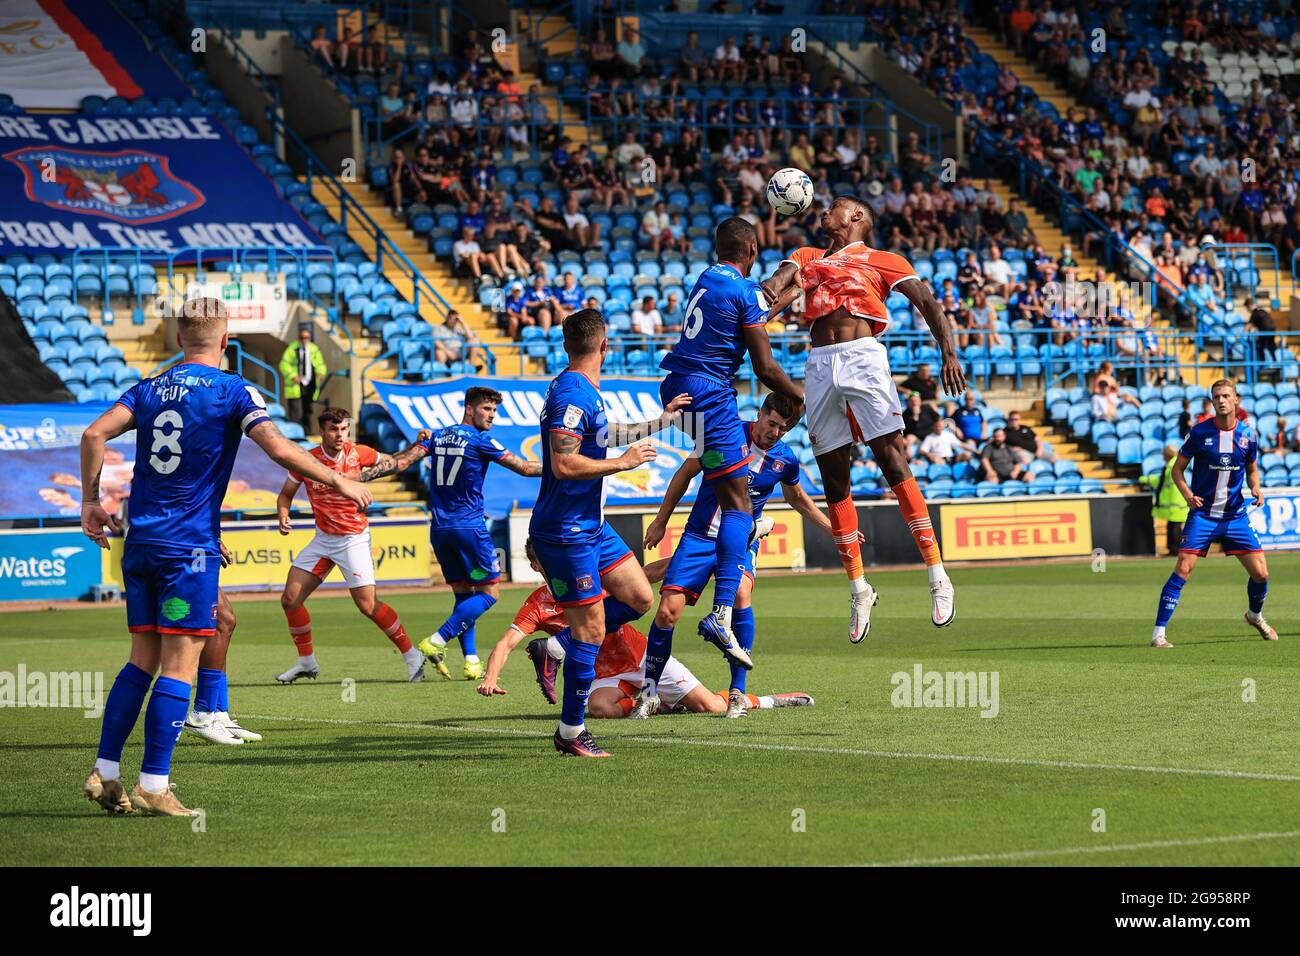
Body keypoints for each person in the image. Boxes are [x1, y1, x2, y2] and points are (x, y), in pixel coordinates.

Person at [80, 298, 372, 816]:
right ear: (226, 337)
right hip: (187, 549)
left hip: (142, 543)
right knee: (179, 663)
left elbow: (93, 433)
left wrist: (89, 503)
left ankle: (105, 773)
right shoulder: (234, 388)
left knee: (141, 658)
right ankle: (153, 785)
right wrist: (337, 478)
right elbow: (281, 450)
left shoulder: (148, 388)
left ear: (177, 339)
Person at [761, 195, 965, 638]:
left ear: (855, 218)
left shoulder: (884, 259)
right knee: (835, 480)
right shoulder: (808, 256)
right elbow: (779, 286)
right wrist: (763, 296)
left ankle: (937, 574)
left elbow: (927, 303)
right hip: (819, 363)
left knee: (893, 462)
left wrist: (949, 352)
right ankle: (858, 588)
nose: (822, 212)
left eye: (832, 207)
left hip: (863, 358)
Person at [530, 309, 691, 757]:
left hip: (591, 527)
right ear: (605, 346)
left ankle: (554, 649)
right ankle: (570, 732)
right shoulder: (571, 393)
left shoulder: (585, 392)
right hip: (565, 533)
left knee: (639, 596)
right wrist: (623, 463)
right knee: (593, 631)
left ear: (567, 346)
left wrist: (659, 421)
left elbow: (605, 433)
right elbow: (564, 464)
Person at [656, 217, 804, 669]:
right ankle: (721, 614)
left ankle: (719, 596)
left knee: (726, 486)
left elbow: (756, 304)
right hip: (709, 392)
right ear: (753, 248)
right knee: (740, 506)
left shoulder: (709, 279)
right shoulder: (743, 293)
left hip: (677, 388)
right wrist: (804, 398)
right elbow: (764, 367)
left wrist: (787, 278)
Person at [640, 392, 839, 717]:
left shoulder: (785, 460)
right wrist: (661, 521)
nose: (775, 432)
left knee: (742, 592)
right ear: (760, 414)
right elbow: (684, 474)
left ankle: (737, 693)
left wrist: (833, 529)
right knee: (666, 613)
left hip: (743, 540)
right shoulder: (725, 435)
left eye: (783, 429)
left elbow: (797, 498)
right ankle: (648, 693)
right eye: (772, 423)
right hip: (700, 537)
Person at [477, 540, 813, 717]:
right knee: (599, 709)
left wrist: (688, 561)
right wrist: (491, 678)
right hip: (606, 676)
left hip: (642, 659)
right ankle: (656, 702)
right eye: (548, 558)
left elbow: (646, 575)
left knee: (710, 706)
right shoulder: (538, 603)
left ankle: (770, 701)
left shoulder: (590, 580)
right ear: (536, 565)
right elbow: (507, 643)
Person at [358, 387, 543, 680]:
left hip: (441, 529)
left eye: (494, 411)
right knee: (490, 592)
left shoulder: (436, 436)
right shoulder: (482, 440)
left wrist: (357, 477)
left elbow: (401, 463)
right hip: (470, 528)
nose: (492, 415)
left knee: (463, 593)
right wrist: (561, 469)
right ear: (469, 409)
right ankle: (436, 640)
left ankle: (470, 660)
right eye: (486, 409)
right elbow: (523, 467)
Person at [273, 407, 427, 685]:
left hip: (353, 539)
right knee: (290, 599)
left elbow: (394, 463)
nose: (340, 435)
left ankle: (412, 655)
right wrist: (283, 514)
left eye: (344, 429)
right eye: (334, 429)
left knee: (367, 606)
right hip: (323, 540)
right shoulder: (308, 460)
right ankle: (306, 661)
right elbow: (285, 495)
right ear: (322, 431)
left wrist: (417, 447)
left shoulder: (360, 454)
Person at [1151, 380, 1276, 648]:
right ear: (1212, 400)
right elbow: (1177, 470)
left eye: (1226, 396)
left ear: (1236, 400)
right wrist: (1187, 495)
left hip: (1235, 517)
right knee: (1183, 568)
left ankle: (1255, 616)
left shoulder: (1248, 436)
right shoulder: (1199, 433)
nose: (1221, 400)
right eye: (1216, 396)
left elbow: (1252, 469)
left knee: (1262, 575)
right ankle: (1158, 633)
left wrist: (1256, 487)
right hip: (1204, 516)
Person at [182, 548, 262, 745]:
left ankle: (218, 713)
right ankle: (202, 714)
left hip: (196, 544)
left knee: (224, 621)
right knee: (221, 622)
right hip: (184, 545)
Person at [1138, 445, 1191, 557]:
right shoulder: (1174, 464)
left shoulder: (1172, 465)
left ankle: (1175, 551)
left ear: (1167, 455)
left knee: (1174, 528)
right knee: (1173, 527)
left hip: (1175, 503)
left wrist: (1147, 479)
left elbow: (1162, 481)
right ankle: (1173, 550)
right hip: (1178, 502)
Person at [280, 323, 328, 436]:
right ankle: (294, 435)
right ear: (298, 337)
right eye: (302, 337)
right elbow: (284, 364)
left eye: (306, 338)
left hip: (310, 383)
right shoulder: (292, 348)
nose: (304, 340)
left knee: (308, 410)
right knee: (295, 412)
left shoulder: (314, 349)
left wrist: (321, 372)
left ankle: (308, 433)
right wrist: (293, 375)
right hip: (295, 385)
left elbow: (321, 364)